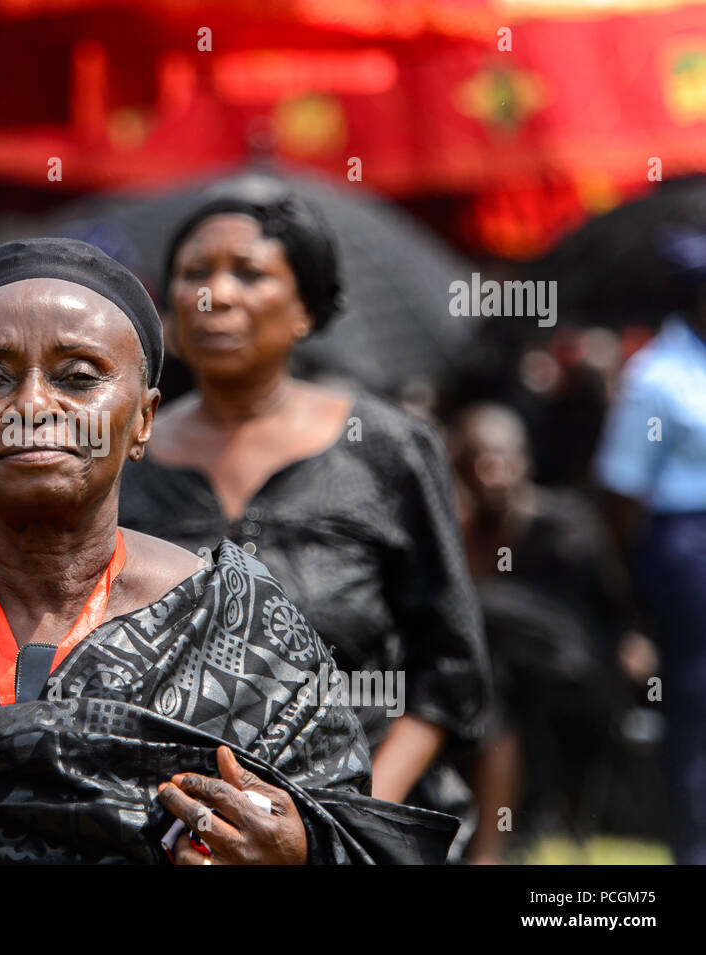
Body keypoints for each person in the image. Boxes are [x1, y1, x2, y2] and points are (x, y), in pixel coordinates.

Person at [0, 237, 459, 865]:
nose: (32, 406)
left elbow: (359, 843)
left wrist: (294, 851)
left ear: (143, 417)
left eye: (78, 376)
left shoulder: (237, 624)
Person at [116, 195, 490, 823]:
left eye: (250, 274)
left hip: (353, 809)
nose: (216, 295)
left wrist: (356, 818)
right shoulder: (124, 454)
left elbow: (450, 667)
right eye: (195, 274)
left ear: (306, 310)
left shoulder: (386, 448)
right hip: (165, 819)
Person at [450, 403, 644, 863]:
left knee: (487, 620)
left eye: (502, 459)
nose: (493, 473)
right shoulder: (458, 531)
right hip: (493, 685)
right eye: (479, 462)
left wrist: (633, 641)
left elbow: (610, 606)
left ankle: (491, 849)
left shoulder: (564, 525)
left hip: (572, 680)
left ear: (525, 461)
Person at [594, 226, 706, 864]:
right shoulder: (659, 375)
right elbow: (621, 488)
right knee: (695, 699)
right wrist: (637, 585)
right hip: (688, 545)